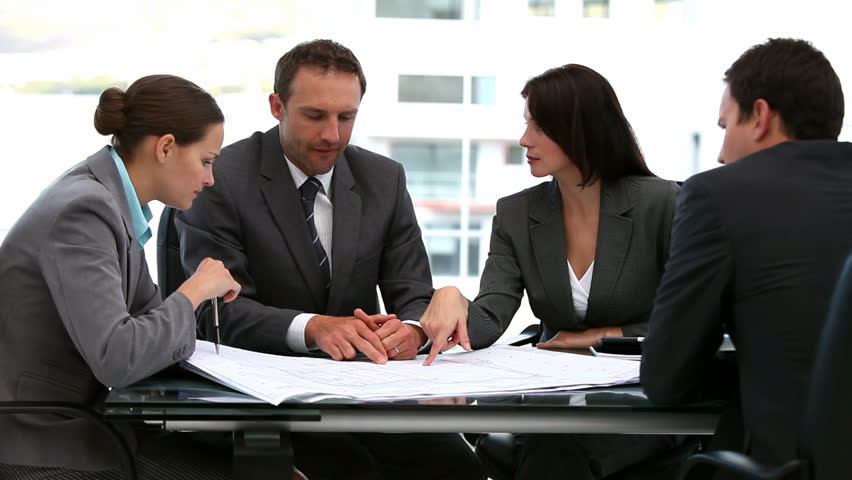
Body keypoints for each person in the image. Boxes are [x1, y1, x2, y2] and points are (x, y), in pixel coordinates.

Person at [176, 39, 483, 480]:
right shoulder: (219, 177)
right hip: (265, 400)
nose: (332, 135)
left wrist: (411, 331)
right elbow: (215, 315)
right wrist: (314, 327)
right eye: (315, 116)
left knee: (459, 467)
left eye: (347, 117)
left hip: (368, 391)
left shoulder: (384, 178)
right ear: (277, 106)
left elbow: (413, 292)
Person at [0, 75, 282, 479]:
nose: (210, 179)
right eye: (206, 160)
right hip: (44, 441)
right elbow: (120, 356)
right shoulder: (84, 211)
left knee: (269, 469)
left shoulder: (110, 202)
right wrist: (195, 289)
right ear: (165, 147)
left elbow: (149, 321)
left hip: (92, 425)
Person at [419, 64, 682, 479]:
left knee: (555, 445)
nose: (524, 140)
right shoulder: (517, 213)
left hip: (640, 397)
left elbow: (689, 321)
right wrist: (452, 295)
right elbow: (488, 321)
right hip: (555, 396)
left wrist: (600, 337)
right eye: (527, 125)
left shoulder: (662, 203)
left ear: (582, 130)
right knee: (549, 439)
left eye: (539, 128)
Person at [641, 37, 852, 466]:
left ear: (759, 116)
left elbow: (667, 378)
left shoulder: (717, 196)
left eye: (724, 127)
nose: (720, 155)